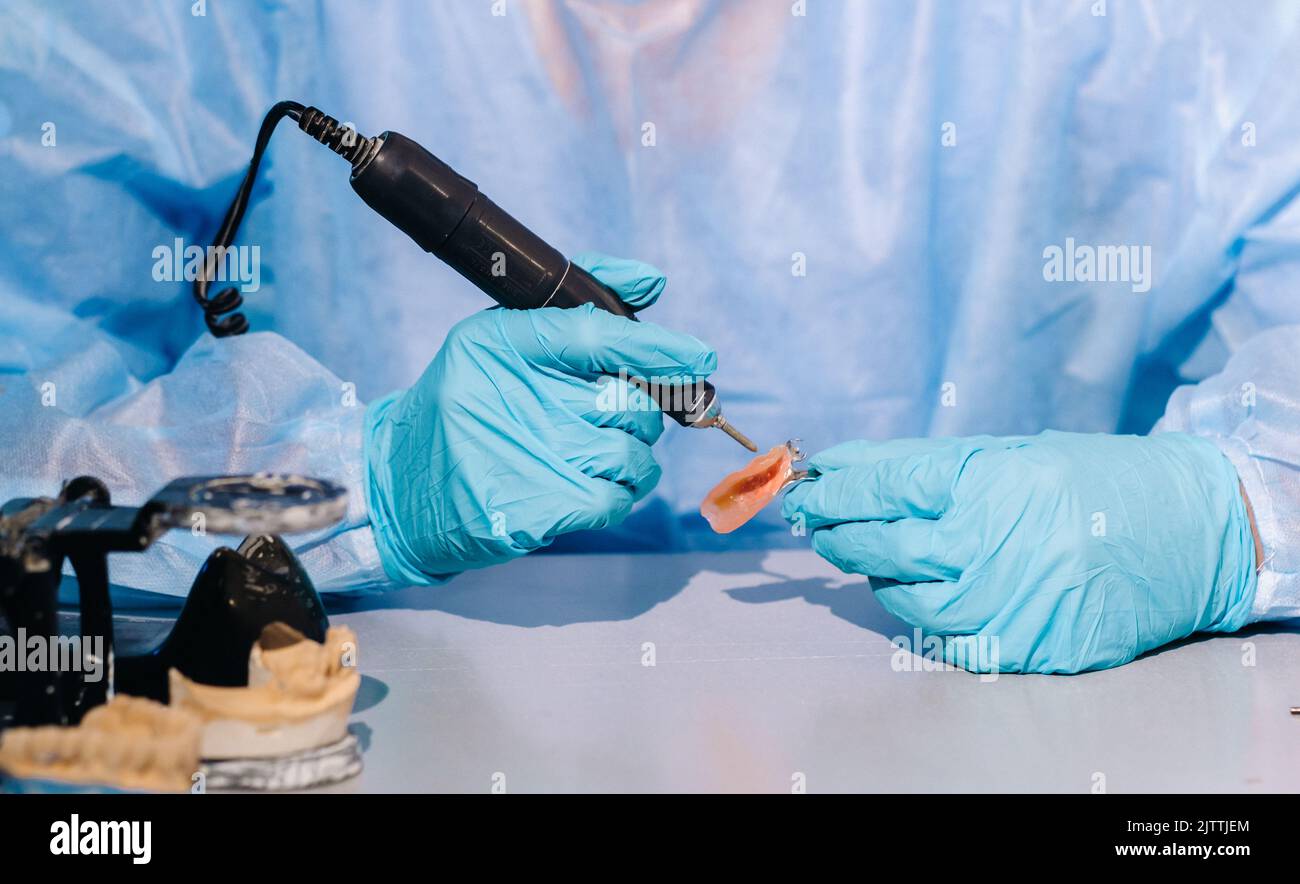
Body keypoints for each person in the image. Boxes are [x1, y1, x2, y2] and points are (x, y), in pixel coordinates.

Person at [1, 1, 1296, 672]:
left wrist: (1221, 519)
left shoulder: (1139, 35)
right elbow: (20, 459)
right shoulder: (190, 28)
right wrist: (355, 484)